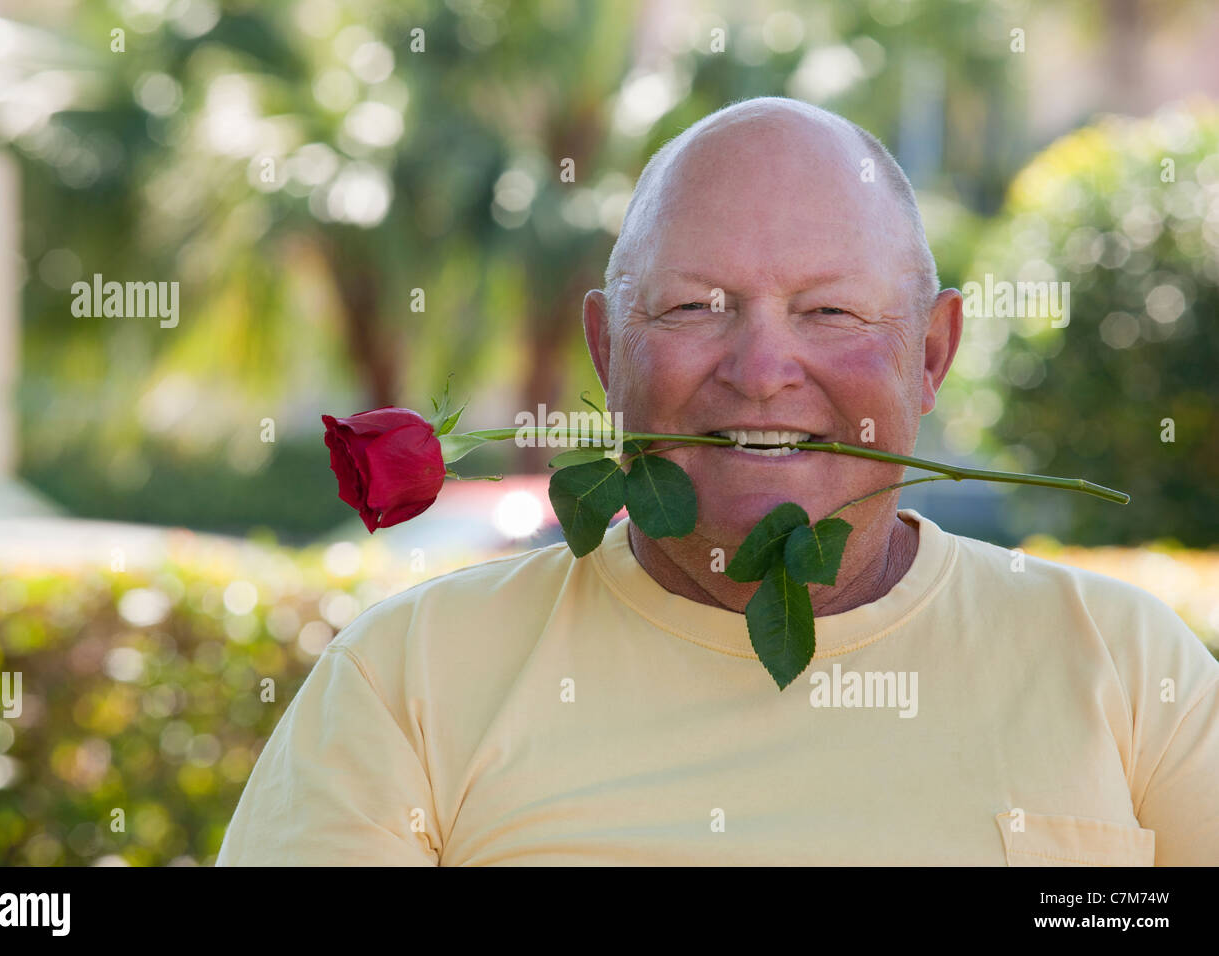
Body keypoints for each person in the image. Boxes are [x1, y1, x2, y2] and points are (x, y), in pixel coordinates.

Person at [217, 97, 1219, 866]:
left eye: (829, 310)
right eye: (695, 305)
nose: (760, 368)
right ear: (607, 351)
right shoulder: (409, 679)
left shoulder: (1128, 670)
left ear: (931, 351)